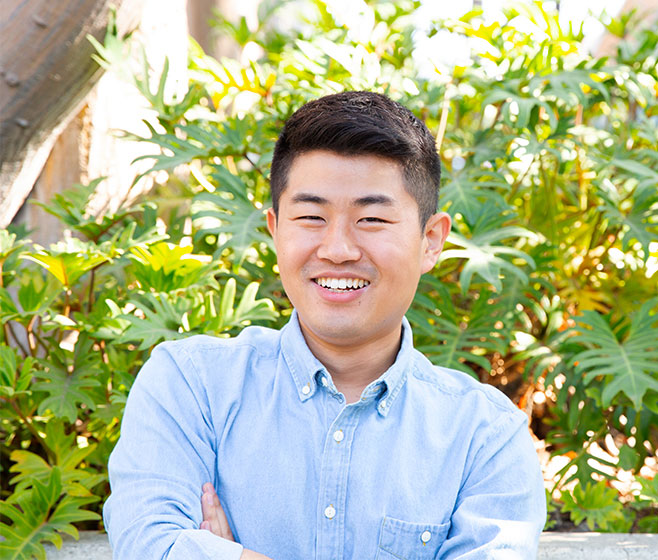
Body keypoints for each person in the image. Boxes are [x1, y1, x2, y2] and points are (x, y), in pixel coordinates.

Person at [103, 91, 546, 559]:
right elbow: (147, 542)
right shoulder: (191, 386)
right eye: (311, 217)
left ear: (430, 241)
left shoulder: (486, 436)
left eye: (371, 219)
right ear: (275, 231)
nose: (337, 249)